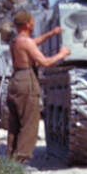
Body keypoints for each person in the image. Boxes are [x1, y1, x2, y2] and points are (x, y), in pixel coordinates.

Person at [7, 11, 70, 164]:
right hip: (27, 81)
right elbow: (45, 62)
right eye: (33, 22)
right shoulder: (26, 42)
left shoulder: (17, 40)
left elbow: (33, 42)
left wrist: (51, 34)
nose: (34, 24)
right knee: (29, 122)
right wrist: (62, 54)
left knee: (15, 123)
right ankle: (22, 160)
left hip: (16, 79)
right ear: (28, 24)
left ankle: (12, 161)